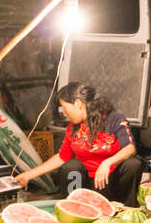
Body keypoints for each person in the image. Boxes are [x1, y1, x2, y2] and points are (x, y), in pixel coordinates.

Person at [15, 83, 144, 203]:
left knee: (133, 164)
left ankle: (127, 208)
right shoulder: (72, 128)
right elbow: (62, 157)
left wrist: (107, 163)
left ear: (77, 103)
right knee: (70, 166)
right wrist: (28, 175)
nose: (65, 114)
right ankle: (73, 207)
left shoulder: (114, 119)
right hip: (86, 185)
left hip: (111, 182)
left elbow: (130, 148)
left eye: (65, 108)